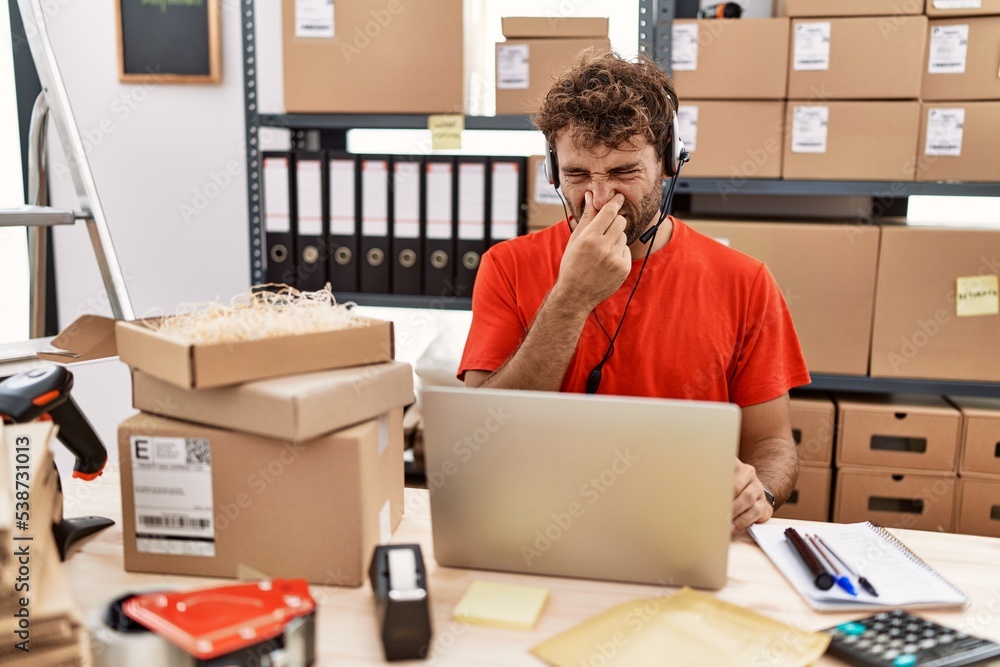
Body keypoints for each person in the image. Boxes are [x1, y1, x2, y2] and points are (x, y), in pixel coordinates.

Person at [457, 51, 811, 533]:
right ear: (553, 172)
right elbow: (485, 439)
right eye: (577, 175)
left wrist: (759, 493)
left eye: (624, 173)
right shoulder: (507, 266)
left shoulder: (745, 282)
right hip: (535, 526)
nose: (600, 198)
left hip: (681, 530)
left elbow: (772, 444)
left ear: (668, 163)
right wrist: (571, 297)